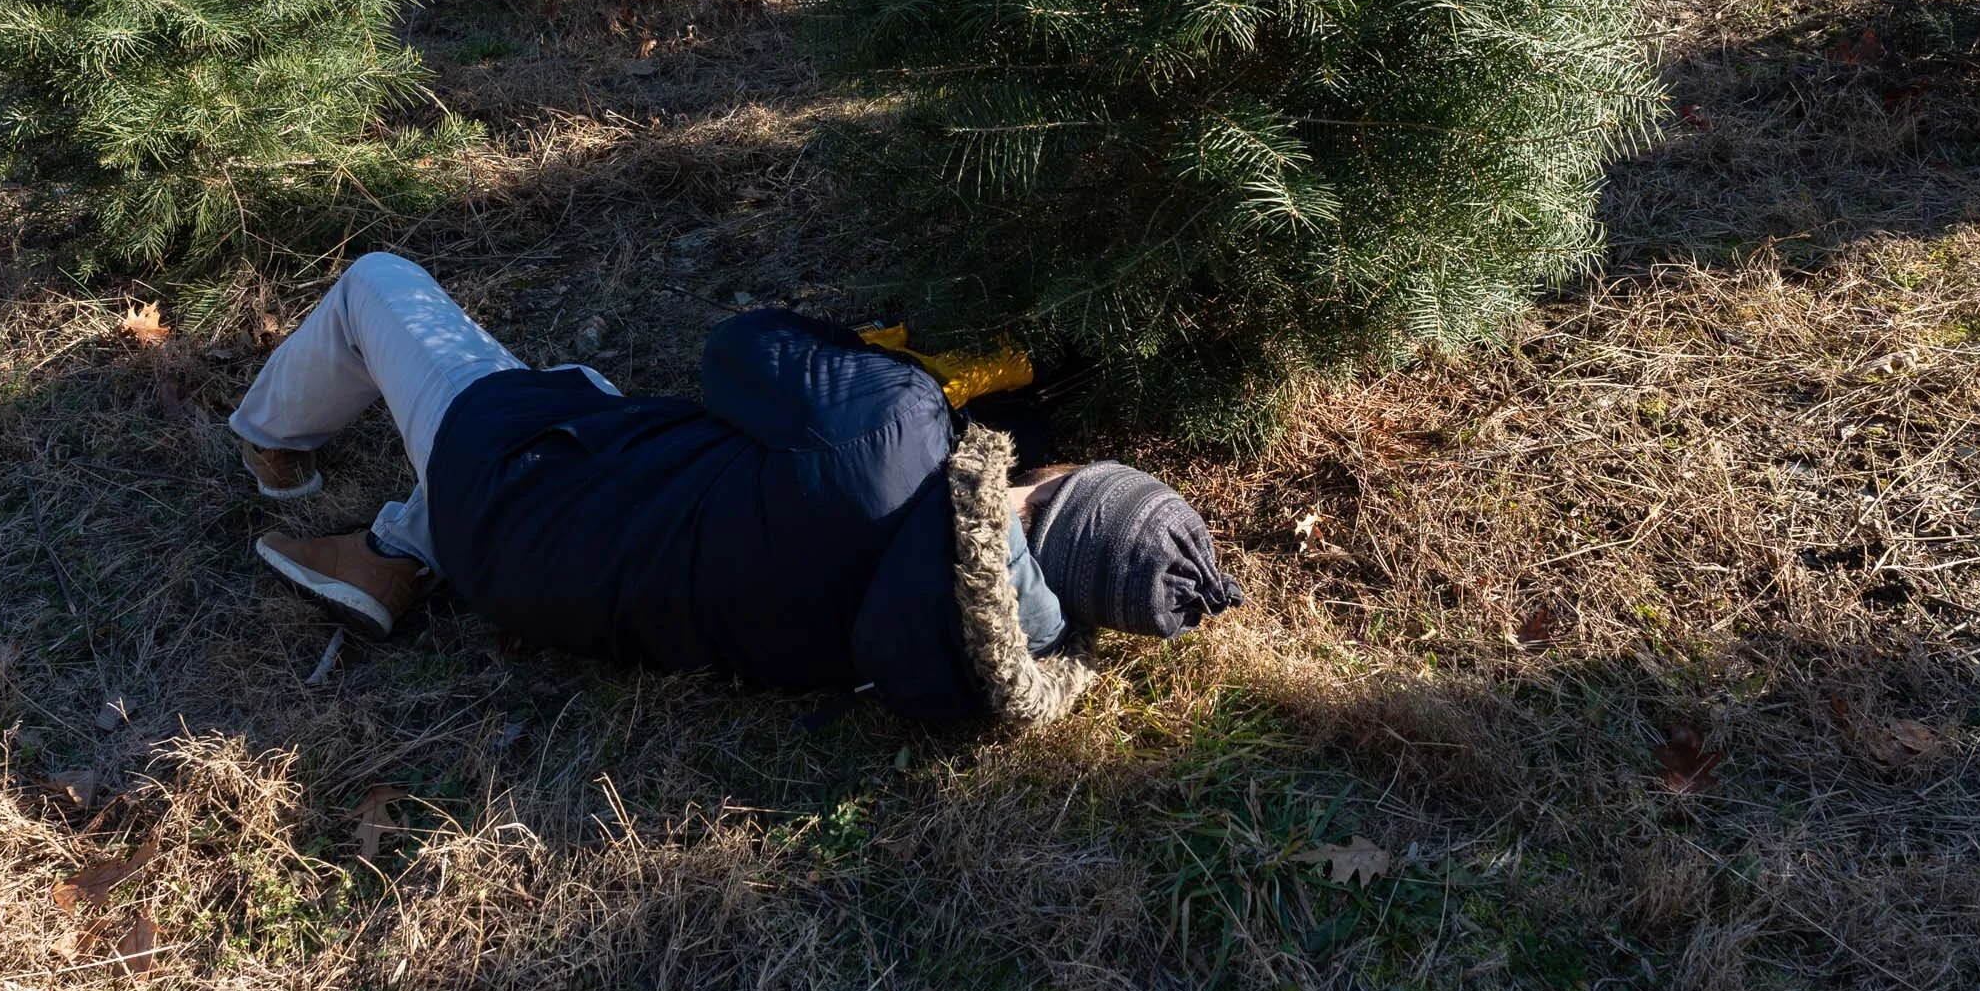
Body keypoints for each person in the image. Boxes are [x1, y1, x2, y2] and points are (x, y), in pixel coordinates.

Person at [230, 253, 1245, 727]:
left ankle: (272, 446)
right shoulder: (942, 640)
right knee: (593, 393)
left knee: (379, 285)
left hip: (519, 489)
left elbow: (741, 351)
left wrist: (884, 367)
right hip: (560, 590)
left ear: (1059, 484)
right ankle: (401, 549)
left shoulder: (890, 435)